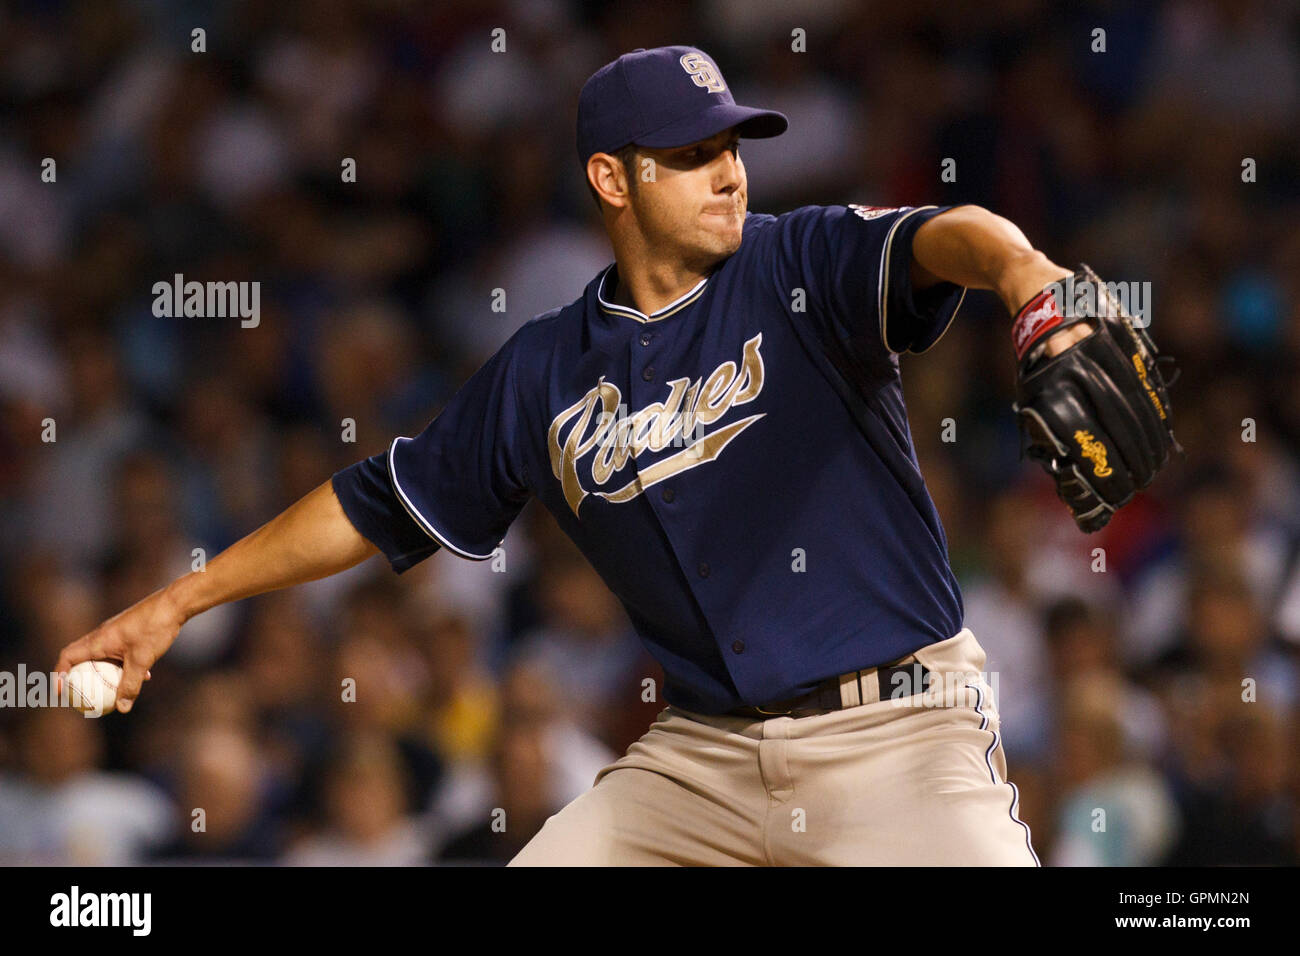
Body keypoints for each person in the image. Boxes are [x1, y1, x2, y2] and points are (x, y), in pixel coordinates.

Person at [61, 45, 1118, 865]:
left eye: (733, 147)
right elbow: (374, 502)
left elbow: (952, 233)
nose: (729, 174)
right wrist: (177, 602)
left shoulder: (801, 263)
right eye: (693, 155)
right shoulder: (542, 369)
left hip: (895, 733)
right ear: (612, 178)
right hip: (700, 758)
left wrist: (1030, 279)